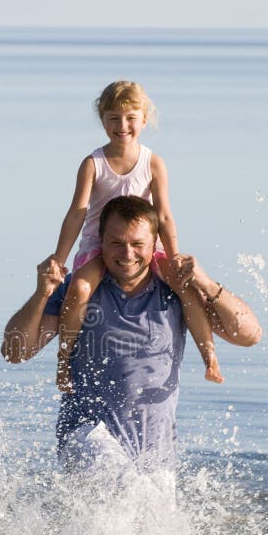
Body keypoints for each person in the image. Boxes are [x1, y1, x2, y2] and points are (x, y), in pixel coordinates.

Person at [3, 196, 261, 465]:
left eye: (138, 244)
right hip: (87, 437)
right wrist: (41, 295)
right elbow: (15, 352)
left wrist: (207, 284)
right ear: (100, 242)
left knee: (144, 502)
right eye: (117, 243)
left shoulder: (177, 291)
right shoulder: (78, 290)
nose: (127, 254)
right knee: (119, 483)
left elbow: (249, 334)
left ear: (154, 245)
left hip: (157, 454)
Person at [51, 81, 224, 394]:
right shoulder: (93, 163)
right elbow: (76, 213)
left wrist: (173, 256)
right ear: (102, 120)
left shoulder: (153, 162)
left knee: (186, 289)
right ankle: (64, 361)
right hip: (98, 245)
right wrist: (59, 260)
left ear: (144, 120)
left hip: (146, 247)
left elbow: (165, 215)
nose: (122, 126)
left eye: (131, 117)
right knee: (78, 288)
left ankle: (210, 357)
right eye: (113, 118)